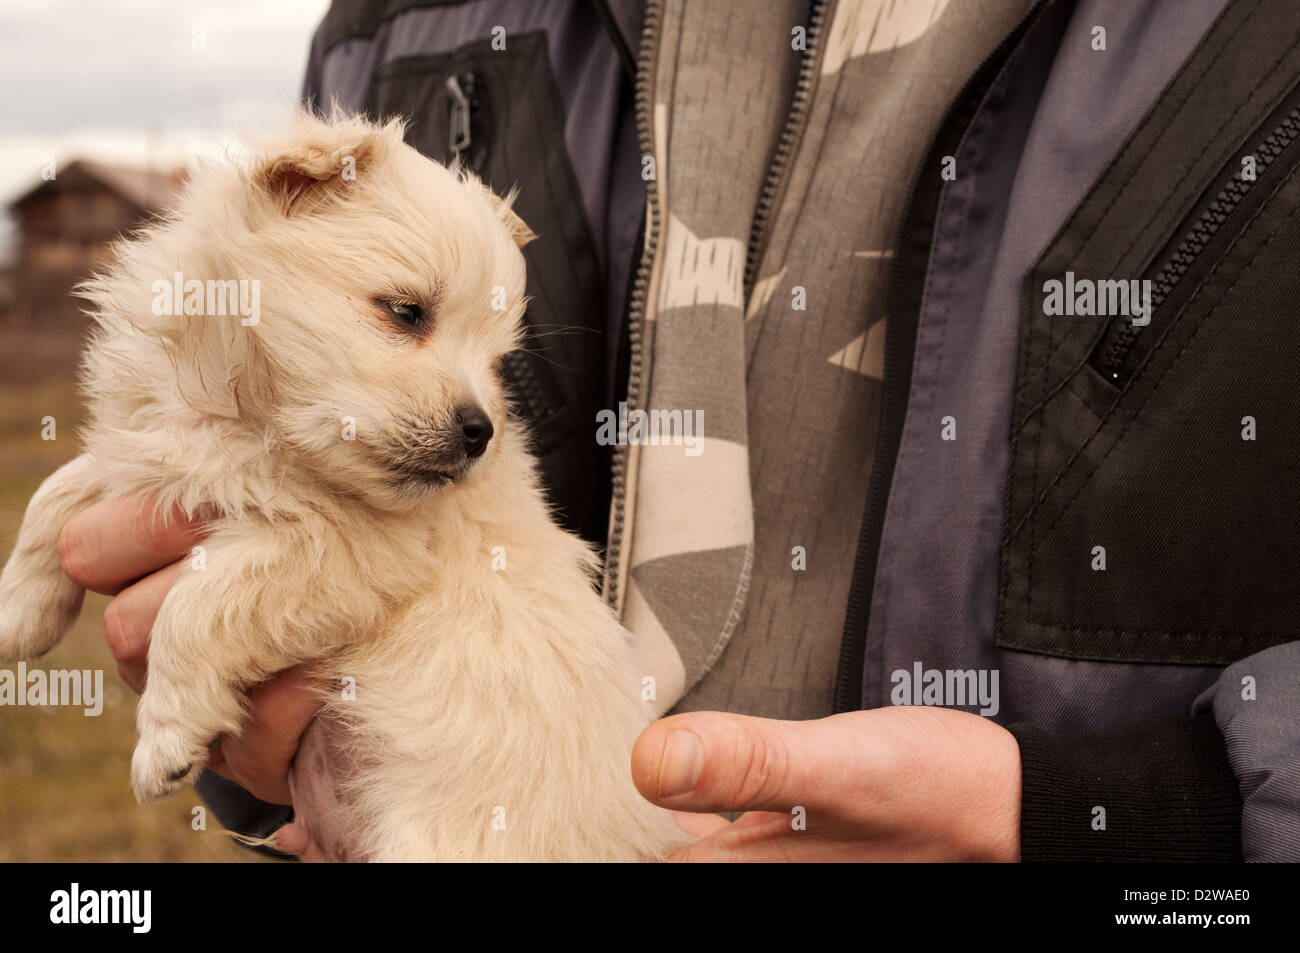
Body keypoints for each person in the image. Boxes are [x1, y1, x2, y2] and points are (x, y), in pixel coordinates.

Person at [58, 0, 1300, 861]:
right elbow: (279, 526)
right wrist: (252, 734)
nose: (474, 410)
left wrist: (1138, 826)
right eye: (405, 314)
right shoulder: (400, 28)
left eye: (486, 351)